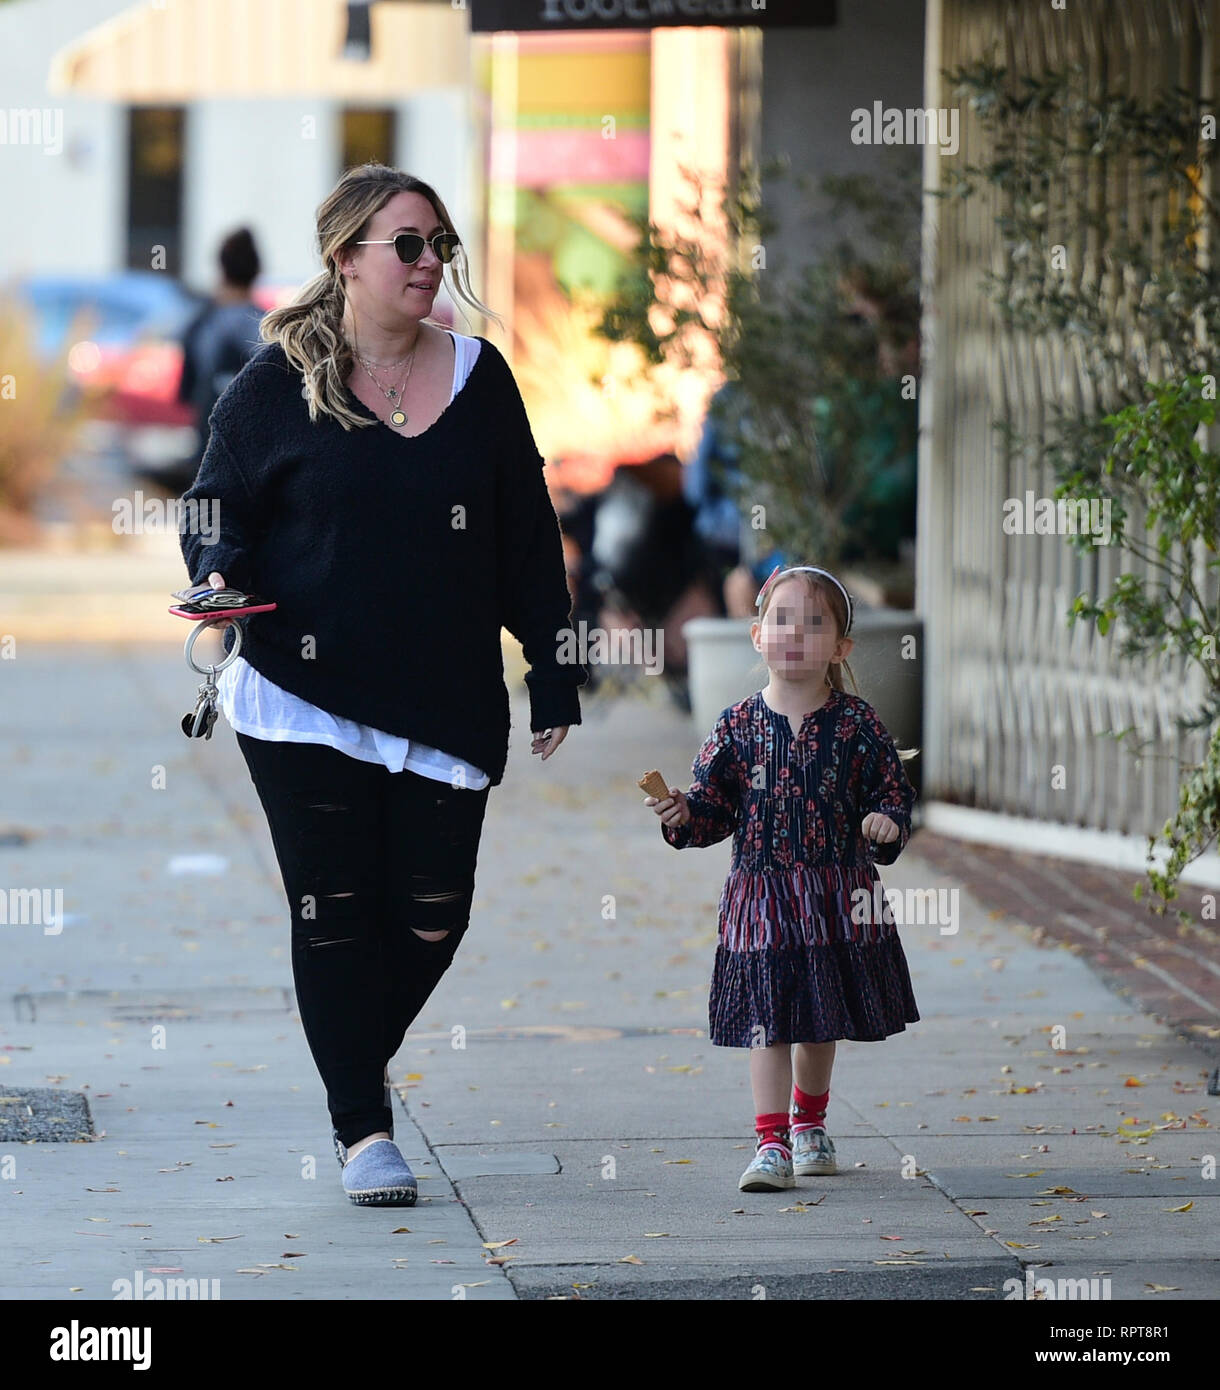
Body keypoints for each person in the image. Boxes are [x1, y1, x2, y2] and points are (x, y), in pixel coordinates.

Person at [177, 163, 584, 1207]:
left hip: (443, 692)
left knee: (432, 916)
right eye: (406, 243)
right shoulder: (276, 383)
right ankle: (362, 1128)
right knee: (334, 913)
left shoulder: (480, 377)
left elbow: (526, 538)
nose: (427, 262)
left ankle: (349, 1054)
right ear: (345, 256)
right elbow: (214, 505)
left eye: (439, 244)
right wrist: (214, 575)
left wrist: (553, 664)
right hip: (301, 696)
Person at [643, 564, 918, 1193]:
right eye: (782, 619)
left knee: (819, 1018)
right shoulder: (736, 726)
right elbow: (712, 810)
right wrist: (683, 813)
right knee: (768, 1018)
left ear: (841, 649)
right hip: (761, 895)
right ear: (757, 635)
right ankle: (769, 1143)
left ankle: (809, 1124)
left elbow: (893, 795)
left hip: (833, 897)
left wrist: (885, 821)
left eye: (815, 622)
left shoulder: (857, 725)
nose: (796, 632)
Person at [177, 227, 266, 472]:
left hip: (208, 452)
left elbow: (187, 393)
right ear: (257, 270)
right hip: (258, 456)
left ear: (221, 269)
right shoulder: (267, 328)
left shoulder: (201, 325)